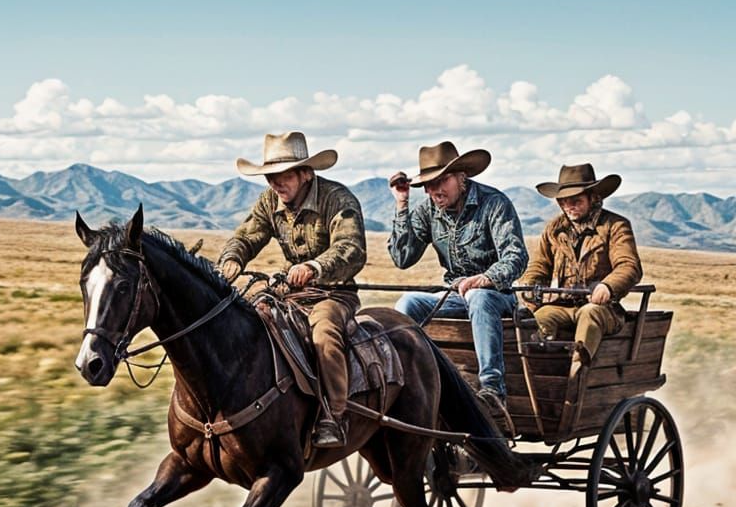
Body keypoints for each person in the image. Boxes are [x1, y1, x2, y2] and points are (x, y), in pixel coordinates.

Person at [216, 131, 366, 448]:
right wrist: (232, 257)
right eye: (270, 177)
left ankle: (334, 416)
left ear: (305, 173)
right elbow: (247, 235)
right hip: (289, 293)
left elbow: (351, 249)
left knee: (324, 333)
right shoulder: (270, 201)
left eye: (282, 176)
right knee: (247, 319)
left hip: (333, 294)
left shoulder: (338, 200)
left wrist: (314, 267)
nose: (275, 184)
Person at [388, 141, 528, 414]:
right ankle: (410, 379)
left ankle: (492, 389)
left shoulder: (494, 203)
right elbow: (402, 258)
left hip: (497, 297)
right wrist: (402, 204)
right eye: (428, 185)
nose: (434, 191)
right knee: (408, 304)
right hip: (454, 296)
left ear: (462, 177)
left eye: (442, 181)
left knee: (478, 297)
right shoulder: (427, 210)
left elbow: (516, 257)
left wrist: (486, 278)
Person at [520, 163, 642, 368]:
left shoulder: (615, 226)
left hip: (604, 309)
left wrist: (607, 286)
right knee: (539, 318)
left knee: (590, 313)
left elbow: (629, 266)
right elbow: (539, 266)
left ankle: (578, 372)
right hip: (562, 305)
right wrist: (530, 288)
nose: (570, 206)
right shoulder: (554, 229)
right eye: (564, 202)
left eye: (576, 200)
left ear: (593, 197)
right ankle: (544, 374)